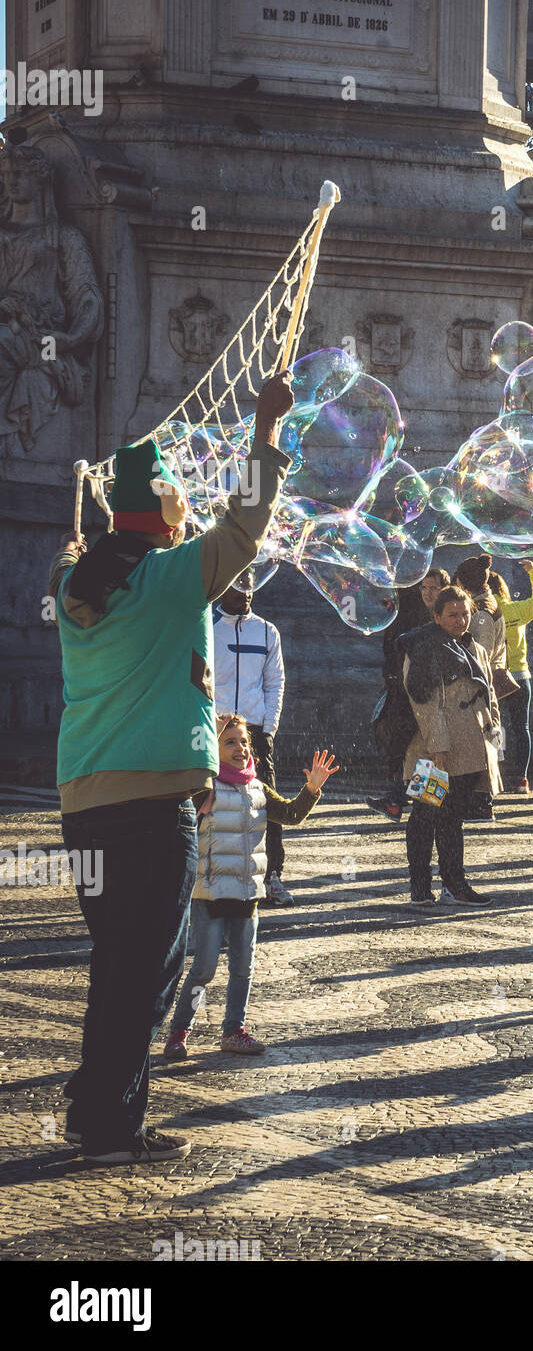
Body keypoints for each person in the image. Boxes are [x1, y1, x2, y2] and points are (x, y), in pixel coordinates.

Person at [51, 372, 294, 1164]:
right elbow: (246, 523)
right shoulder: (167, 579)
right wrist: (263, 429)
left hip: (83, 802)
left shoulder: (75, 582)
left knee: (116, 958)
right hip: (153, 807)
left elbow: (94, 553)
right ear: (157, 516)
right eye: (174, 496)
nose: (187, 502)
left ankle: (94, 1111)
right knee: (150, 966)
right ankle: (113, 1127)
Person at [163, 714, 336, 1060]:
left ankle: (234, 1030)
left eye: (244, 741)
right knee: (204, 969)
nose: (241, 748)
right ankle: (180, 1031)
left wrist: (312, 788)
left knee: (243, 969)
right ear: (214, 749)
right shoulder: (205, 788)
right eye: (230, 742)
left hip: (247, 898)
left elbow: (290, 815)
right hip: (210, 895)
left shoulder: (258, 787)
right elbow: (175, 822)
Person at [400, 585, 502, 907]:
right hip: (431, 751)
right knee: (424, 815)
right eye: (452, 615)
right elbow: (422, 701)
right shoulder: (422, 646)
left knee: (453, 819)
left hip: (469, 748)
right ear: (436, 616)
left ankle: (454, 885)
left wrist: (495, 730)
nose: (460, 621)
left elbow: (489, 692)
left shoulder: (475, 648)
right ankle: (419, 887)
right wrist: (438, 746)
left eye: (465, 614)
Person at [211, 571, 291, 906]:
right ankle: (214, 876)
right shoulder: (206, 626)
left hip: (255, 733)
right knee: (215, 805)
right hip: (216, 730)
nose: (246, 589)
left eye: (250, 582)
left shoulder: (266, 630)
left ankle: (272, 876)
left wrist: (268, 729)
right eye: (238, 581)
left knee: (266, 805)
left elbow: (275, 683)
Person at [366, 580, 442, 823]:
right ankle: (411, 802)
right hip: (412, 697)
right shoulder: (413, 617)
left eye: (435, 588)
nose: (428, 593)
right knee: (417, 754)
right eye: (424, 588)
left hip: (427, 701)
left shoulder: (434, 622)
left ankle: (422, 804)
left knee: (431, 754)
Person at [486, 560, 533, 794]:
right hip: (520, 676)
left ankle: (493, 773)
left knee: (492, 725)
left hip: (492, 677)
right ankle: (522, 778)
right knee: (522, 727)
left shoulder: (481, 613)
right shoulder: (515, 611)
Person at [452, 555, 507, 676]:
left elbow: (482, 657)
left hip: (486, 681)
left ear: (463, 583)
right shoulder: (485, 602)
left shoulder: (482, 614)